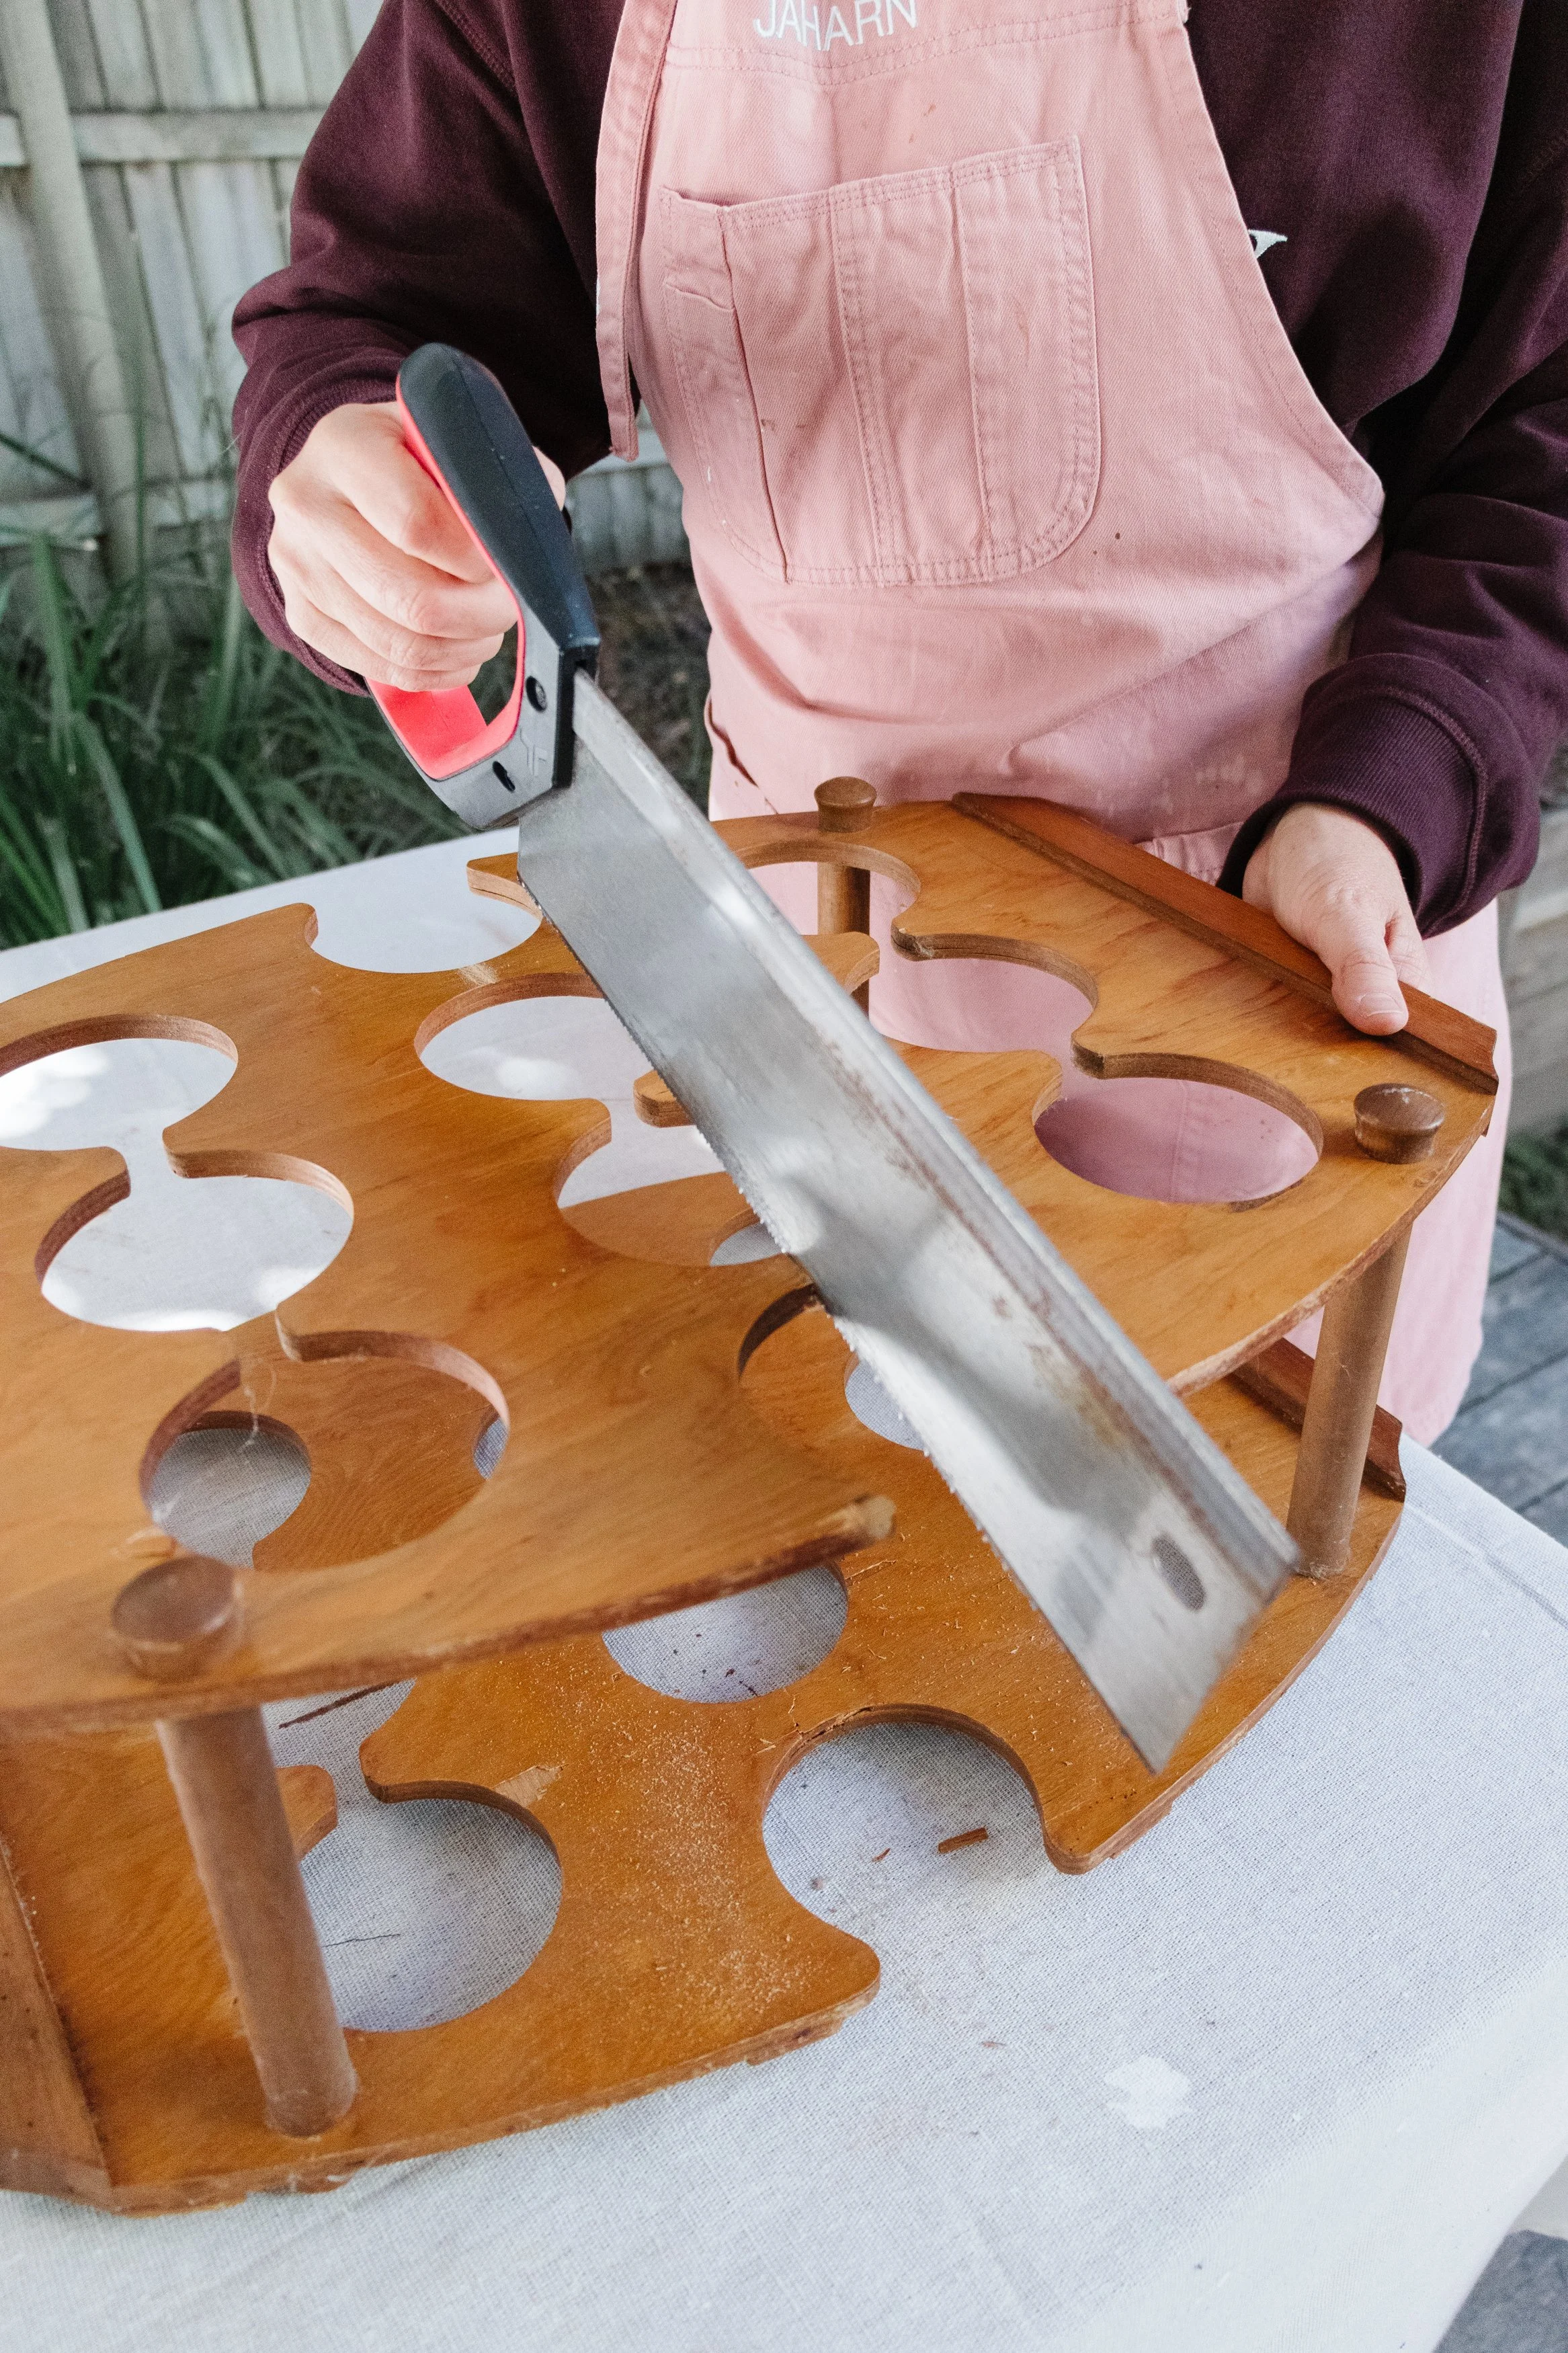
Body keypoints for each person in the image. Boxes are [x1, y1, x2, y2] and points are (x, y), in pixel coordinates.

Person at [231, 0, 1568, 1440]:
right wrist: (355, 495)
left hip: (1280, 950)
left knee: (1276, 1575)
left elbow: (1539, 430)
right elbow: (373, 315)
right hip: (791, 984)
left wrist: (1398, 784)